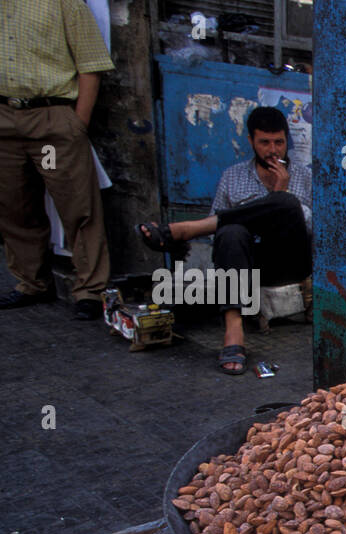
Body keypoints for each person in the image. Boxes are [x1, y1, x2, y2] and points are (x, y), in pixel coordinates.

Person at [137, 106, 311, 374]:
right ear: (251, 141)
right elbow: (216, 238)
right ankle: (233, 330)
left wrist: (280, 196)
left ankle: (184, 230)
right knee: (230, 231)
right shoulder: (233, 176)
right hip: (246, 264)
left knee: (287, 203)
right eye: (265, 142)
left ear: (287, 140)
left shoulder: (304, 176)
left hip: (289, 262)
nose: (273, 150)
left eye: (279, 142)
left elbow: (314, 230)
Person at [0, 0, 115, 320]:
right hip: (4, 121)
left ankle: (90, 289)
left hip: (50, 124)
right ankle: (31, 282)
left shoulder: (63, 2)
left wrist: (77, 125)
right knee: (13, 205)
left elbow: (90, 64)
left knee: (75, 203)